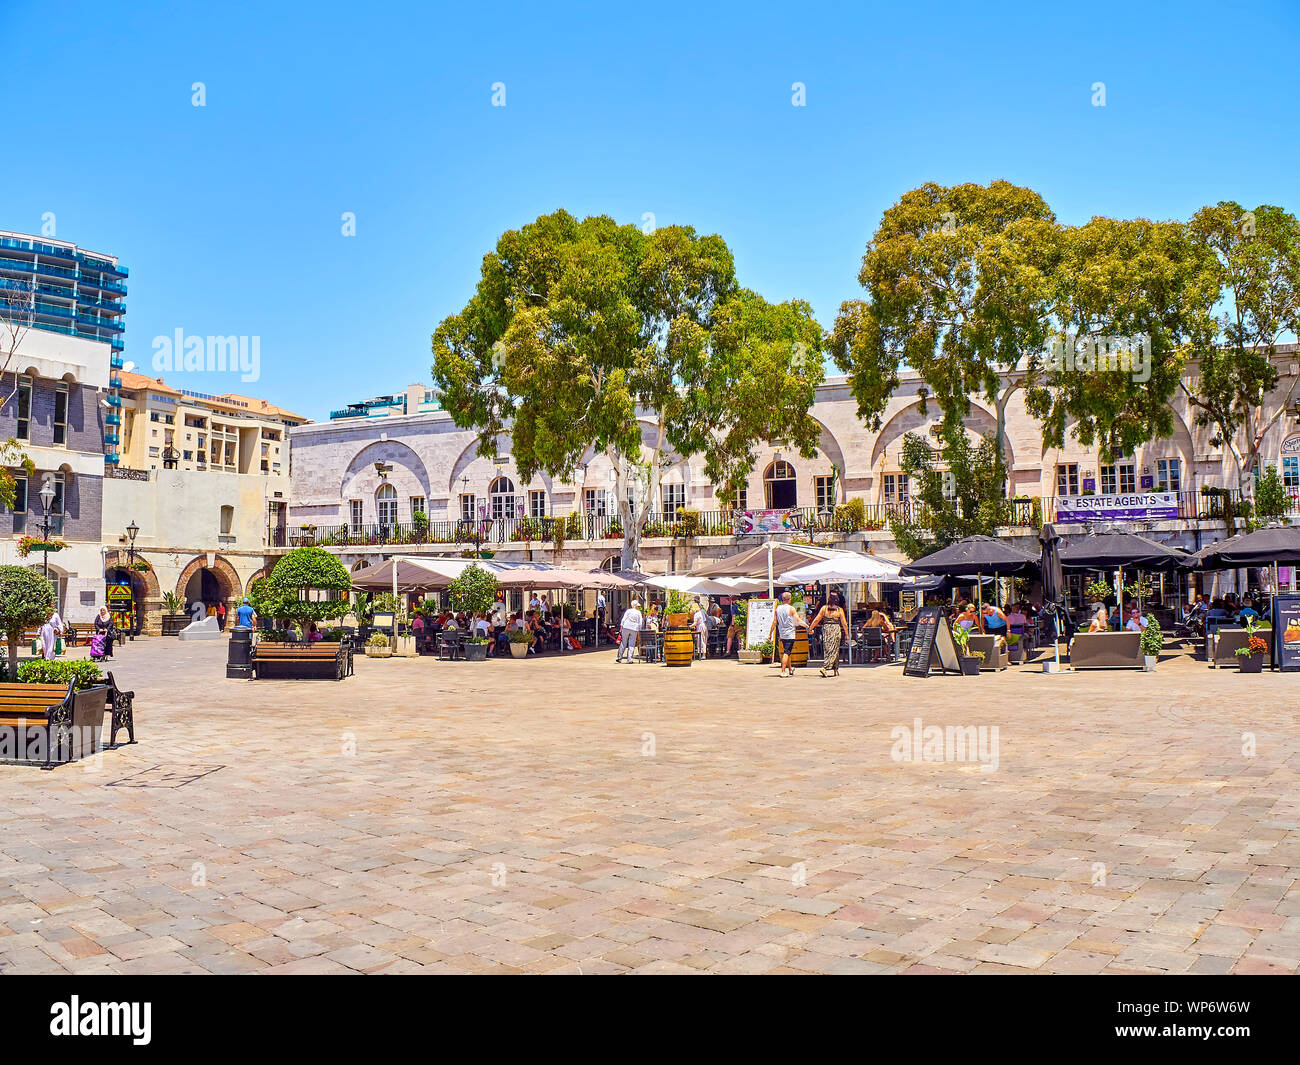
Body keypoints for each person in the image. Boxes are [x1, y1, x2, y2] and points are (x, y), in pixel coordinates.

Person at [809, 591, 848, 677]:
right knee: (834, 649)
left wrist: (810, 628)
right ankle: (825, 667)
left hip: (826, 629)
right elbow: (844, 623)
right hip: (836, 630)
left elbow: (816, 619)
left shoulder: (824, 608)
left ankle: (835, 669)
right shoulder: (839, 610)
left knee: (828, 649)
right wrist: (847, 635)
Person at [768, 591, 799, 678]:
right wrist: (807, 626)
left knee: (788, 652)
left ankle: (790, 669)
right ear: (789, 599)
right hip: (790, 634)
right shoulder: (791, 609)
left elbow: (774, 622)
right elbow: (797, 621)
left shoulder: (777, 609)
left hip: (782, 633)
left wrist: (770, 634)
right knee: (786, 652)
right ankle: (783, 671)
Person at [618, 598, 643, 663]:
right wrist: (639, 630)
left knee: (623, 642)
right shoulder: (638, 612)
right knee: (631, 644)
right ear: (635, 605)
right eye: (637, 606)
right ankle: (629, 659)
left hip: (626, 627)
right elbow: (640, 622)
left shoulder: (628, 611)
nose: (638, 607)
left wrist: (621, 627)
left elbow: (623, 619)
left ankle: (619, 657)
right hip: (634, 628)